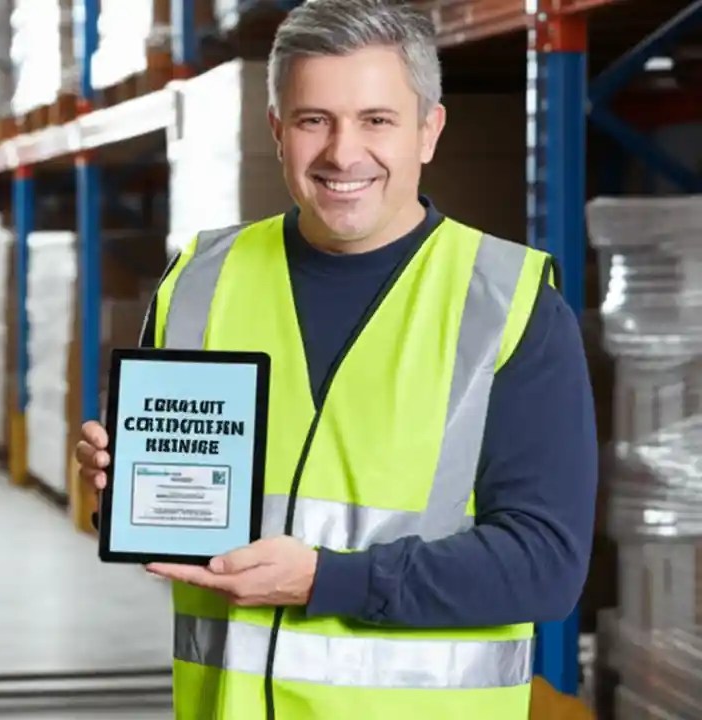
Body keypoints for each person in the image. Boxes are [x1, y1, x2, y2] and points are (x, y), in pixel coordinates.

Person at [73, 1, 598, 718]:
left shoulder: (510, 306)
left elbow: (545, 567)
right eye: (313, 119)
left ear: (428, 131)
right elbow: (187, 519)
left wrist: (324, 579)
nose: (342, 153)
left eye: (376, 120)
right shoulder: (198, 279)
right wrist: (125, 491)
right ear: (278, 132)